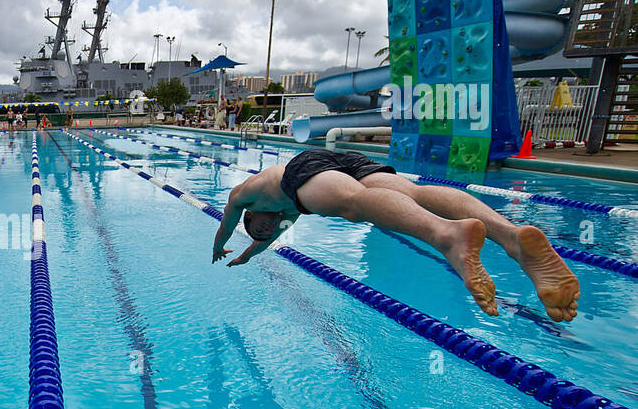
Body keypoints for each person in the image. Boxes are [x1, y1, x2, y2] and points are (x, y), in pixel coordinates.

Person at [212, 148, 580, 321]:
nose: (264, 228)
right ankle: (511, 237)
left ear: (253, 212)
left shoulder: (248, 193)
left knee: (353, 204)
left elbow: (228, 218)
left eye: (257, 225)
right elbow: (269, 239)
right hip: (341, 158)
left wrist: (219, 245)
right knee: (412, 193)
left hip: (305, 167)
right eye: (264, 230)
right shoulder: (285, 213)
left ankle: (446, 236)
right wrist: (247, 253)